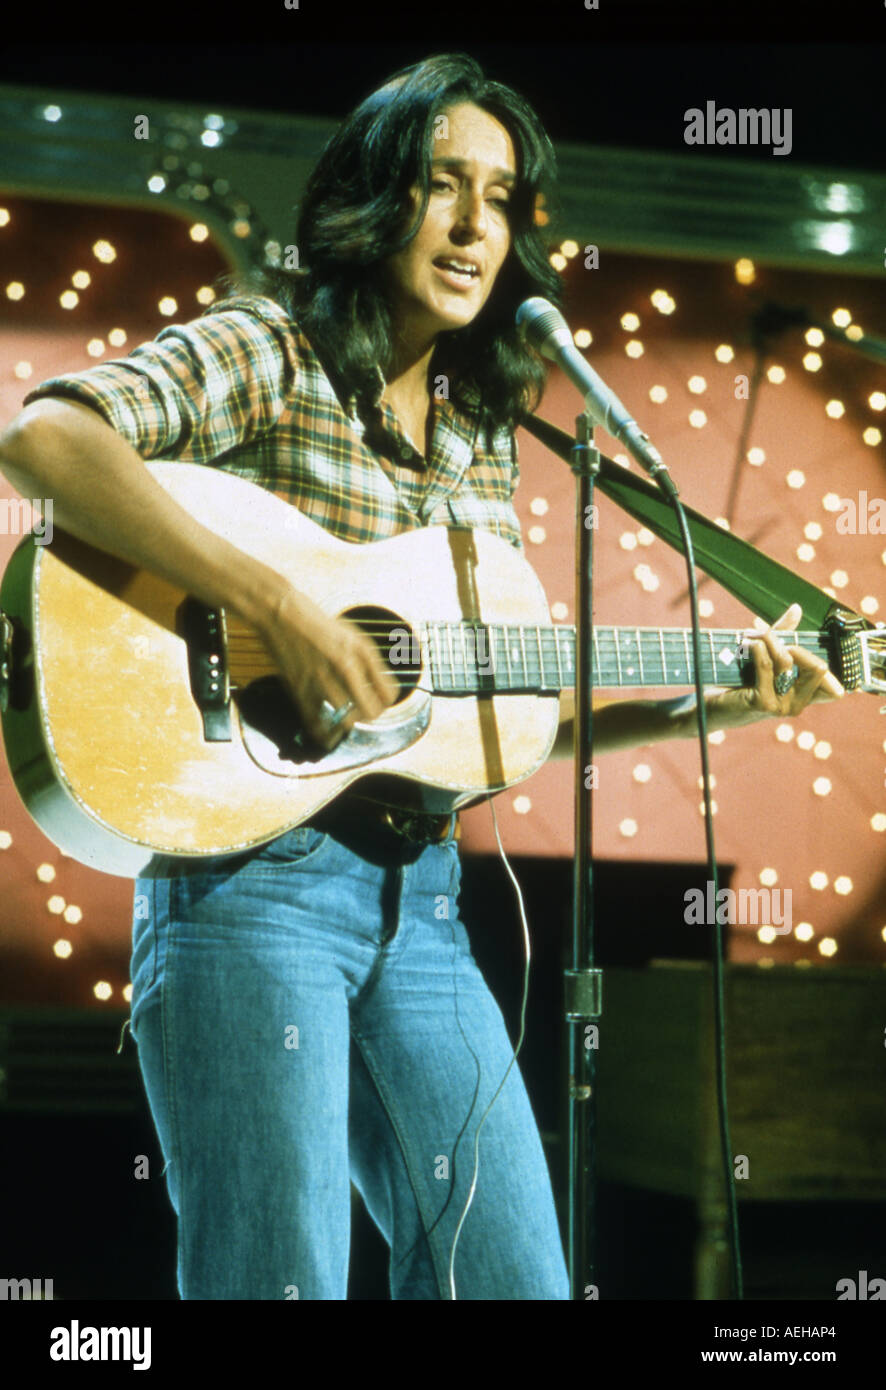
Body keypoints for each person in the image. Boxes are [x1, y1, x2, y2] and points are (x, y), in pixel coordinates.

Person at [0, 54, 844, 1301]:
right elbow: (45, 437)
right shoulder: (272, 349)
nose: (472, 226)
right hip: (248, 890)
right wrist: (277, 603)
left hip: (429, 908)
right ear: (371, 197)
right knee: (274, 1281)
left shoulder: (480, 433)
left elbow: (493, 725)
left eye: (500, 200)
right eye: (442, 185)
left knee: (514, 1280)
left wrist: (715, 699)